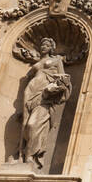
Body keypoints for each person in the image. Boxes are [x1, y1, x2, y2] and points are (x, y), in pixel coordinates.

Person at [17, 37, 71, 170]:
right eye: (42, 44)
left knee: (32, 124)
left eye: (46, 45)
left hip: (45, 95)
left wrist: (53, 89)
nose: (43, 47)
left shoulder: (57, 61)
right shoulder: (37, 63)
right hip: (31, 92)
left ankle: (30, 156)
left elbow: (64, 79)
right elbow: (29, 77)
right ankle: (22, 155)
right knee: (25, 123)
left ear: (51, 47)